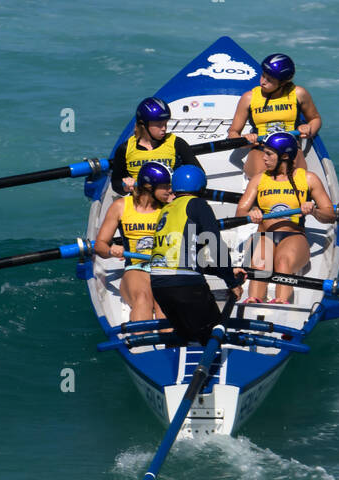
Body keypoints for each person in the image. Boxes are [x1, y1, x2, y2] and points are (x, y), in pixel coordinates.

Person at [236, 131, 336, 305]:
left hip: (294, 237)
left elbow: (330, 215)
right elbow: (240, 212)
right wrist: (251, 212)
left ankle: (281, 302)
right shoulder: (259, 179)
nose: (263, 158)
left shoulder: (308, 179)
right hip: (264, 235)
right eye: (263, 153)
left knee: (283, 262)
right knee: (260, 265)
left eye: (268, 154)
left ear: (284, 156)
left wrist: (313, 211)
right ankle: (253, 301)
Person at [149, 165, 245, 343]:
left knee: (186, 336)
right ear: (201, 188)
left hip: (158, 286)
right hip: (186, 286)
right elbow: (216, 246)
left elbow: (190, 259)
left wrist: (225, 271)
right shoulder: (198, 204)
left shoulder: (166, 210)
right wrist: (232, 283)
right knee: (214, 336)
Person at [94, 162, 172, 323]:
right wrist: (111, 251)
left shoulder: (170, 208)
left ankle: (171, 345)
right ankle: (140, 342)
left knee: (164, 304)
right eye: (165, 186)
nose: (170, 190)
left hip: (165, 267)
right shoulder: (121, 206)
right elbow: (99, 245)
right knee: (143, 299)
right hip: (136, 268)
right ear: (149, 187)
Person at [226, 53, 322, 179]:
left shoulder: (299, 94)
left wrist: (309, 129)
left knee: (295, 178)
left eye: (269, 80)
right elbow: (233, 132)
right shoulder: (248, 98)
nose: (263, 82)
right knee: (262, 179)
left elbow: (315, 119)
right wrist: (245, 141)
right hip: (261, 148)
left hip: (290, 148)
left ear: (282, 83)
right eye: (263, 76)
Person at [108, 97, 200, 196]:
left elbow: (198, 174)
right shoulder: (125, 149)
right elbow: (116, 183)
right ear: (143, 124)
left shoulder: (177, 144)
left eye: (165, 123)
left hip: (170, 202)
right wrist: (125, 187)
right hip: (140, 204)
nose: (164, 128)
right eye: (159, 124)